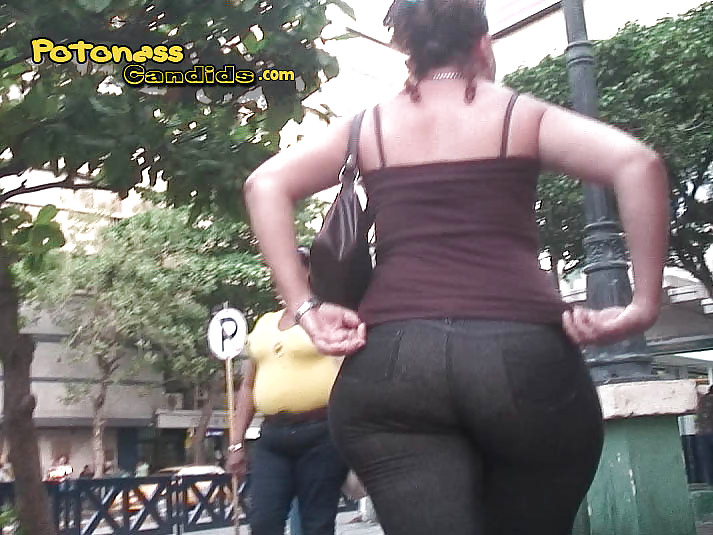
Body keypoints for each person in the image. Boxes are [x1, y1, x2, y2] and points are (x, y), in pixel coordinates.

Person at [242, 1, 669, 533]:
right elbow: (639, 164)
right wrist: (642, 305)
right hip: (520, 356)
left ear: (407, 52)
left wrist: (304, 307)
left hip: (392, 362)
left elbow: (264, 184)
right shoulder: (522, 115)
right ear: (482, 44)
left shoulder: (366, 128)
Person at [226, 248, 348, 535]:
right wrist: (236, 443)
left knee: (317, 524)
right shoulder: (265, 323)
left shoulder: (328, 316)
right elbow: (248, 386)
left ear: (308, 273)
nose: (277, 276)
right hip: (273, 436)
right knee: (263, 522)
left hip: (321, 434)